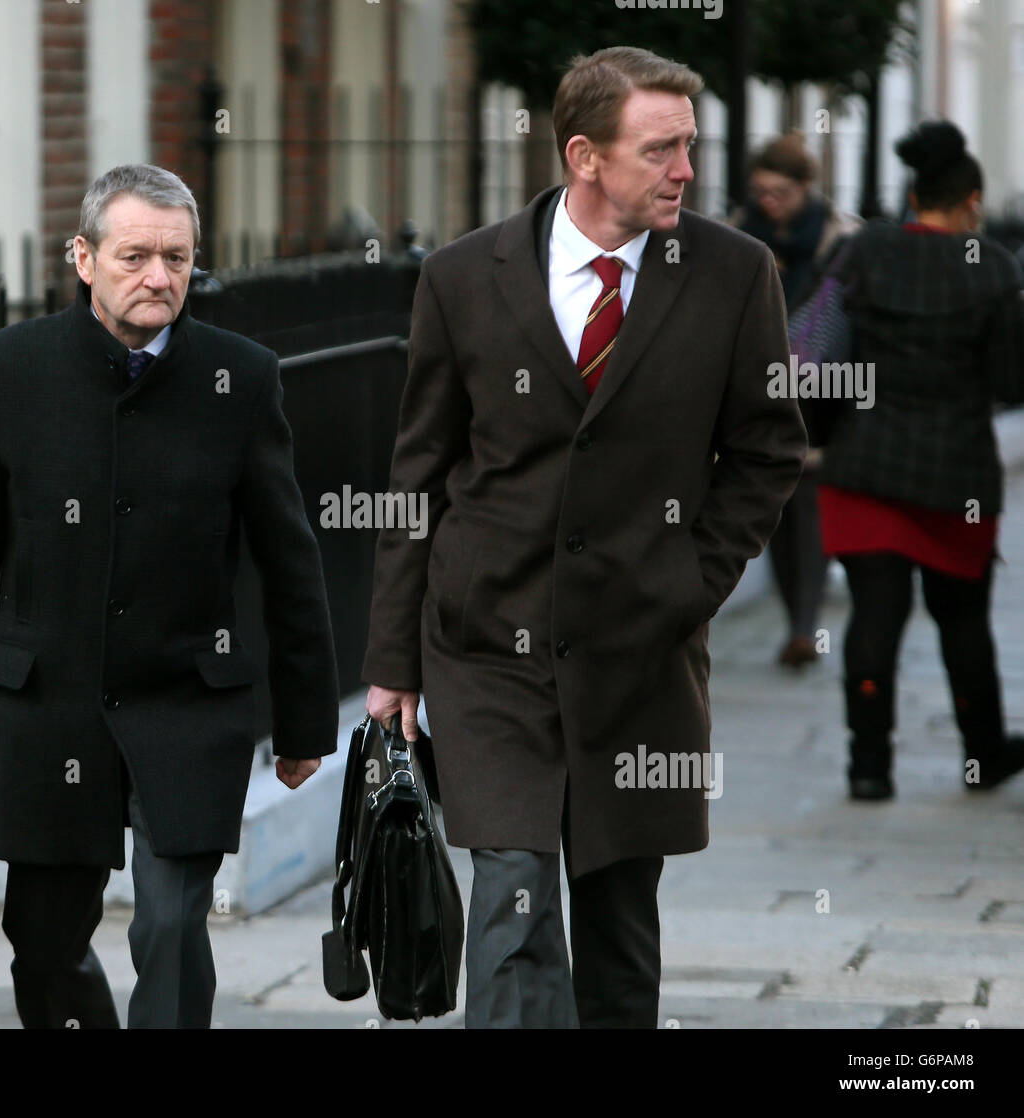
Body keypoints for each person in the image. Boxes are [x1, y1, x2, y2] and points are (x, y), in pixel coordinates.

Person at [361, 47, 806, 1029]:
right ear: (584, 156)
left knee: (615, 919)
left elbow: (769, 450)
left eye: (688, 146)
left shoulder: (733, 274)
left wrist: (688, 581)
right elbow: (417, 474)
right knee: (513, 890)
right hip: (487, 641)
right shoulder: (462, 276)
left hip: (637, 648)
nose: (685, 171)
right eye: (660, 150)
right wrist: (391, 657)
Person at [0, 164, 340, 1028]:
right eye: (136, 256)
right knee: (42, 939)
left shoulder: (242, 377)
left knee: (176, 926)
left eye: (177, 259)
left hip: (188, 705)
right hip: (46, 706)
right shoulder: (9, 368)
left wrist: (304, 726)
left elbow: (289, 560)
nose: (159, 277)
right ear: (83, 257)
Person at [815, 121, 1024, 800]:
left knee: (874, 616)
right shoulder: (993, 266)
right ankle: (985, 754)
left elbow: (813, 346)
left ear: (912, 193)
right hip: (956, 472)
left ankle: (868, 767)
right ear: (971, 202)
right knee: (963, 619)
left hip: (864, 464)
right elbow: (1010, 382)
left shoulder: (866, 249)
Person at [733, 135, 862, 668]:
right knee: (779, 512)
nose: (770, 201)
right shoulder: (739, 235)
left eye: (780, 191)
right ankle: (796, 619)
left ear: (805, 187)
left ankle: (805, 627)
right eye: (762, 190)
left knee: (808, 504)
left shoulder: (843, 237)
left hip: (823, 395)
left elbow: (855, 316)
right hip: (760, 390)